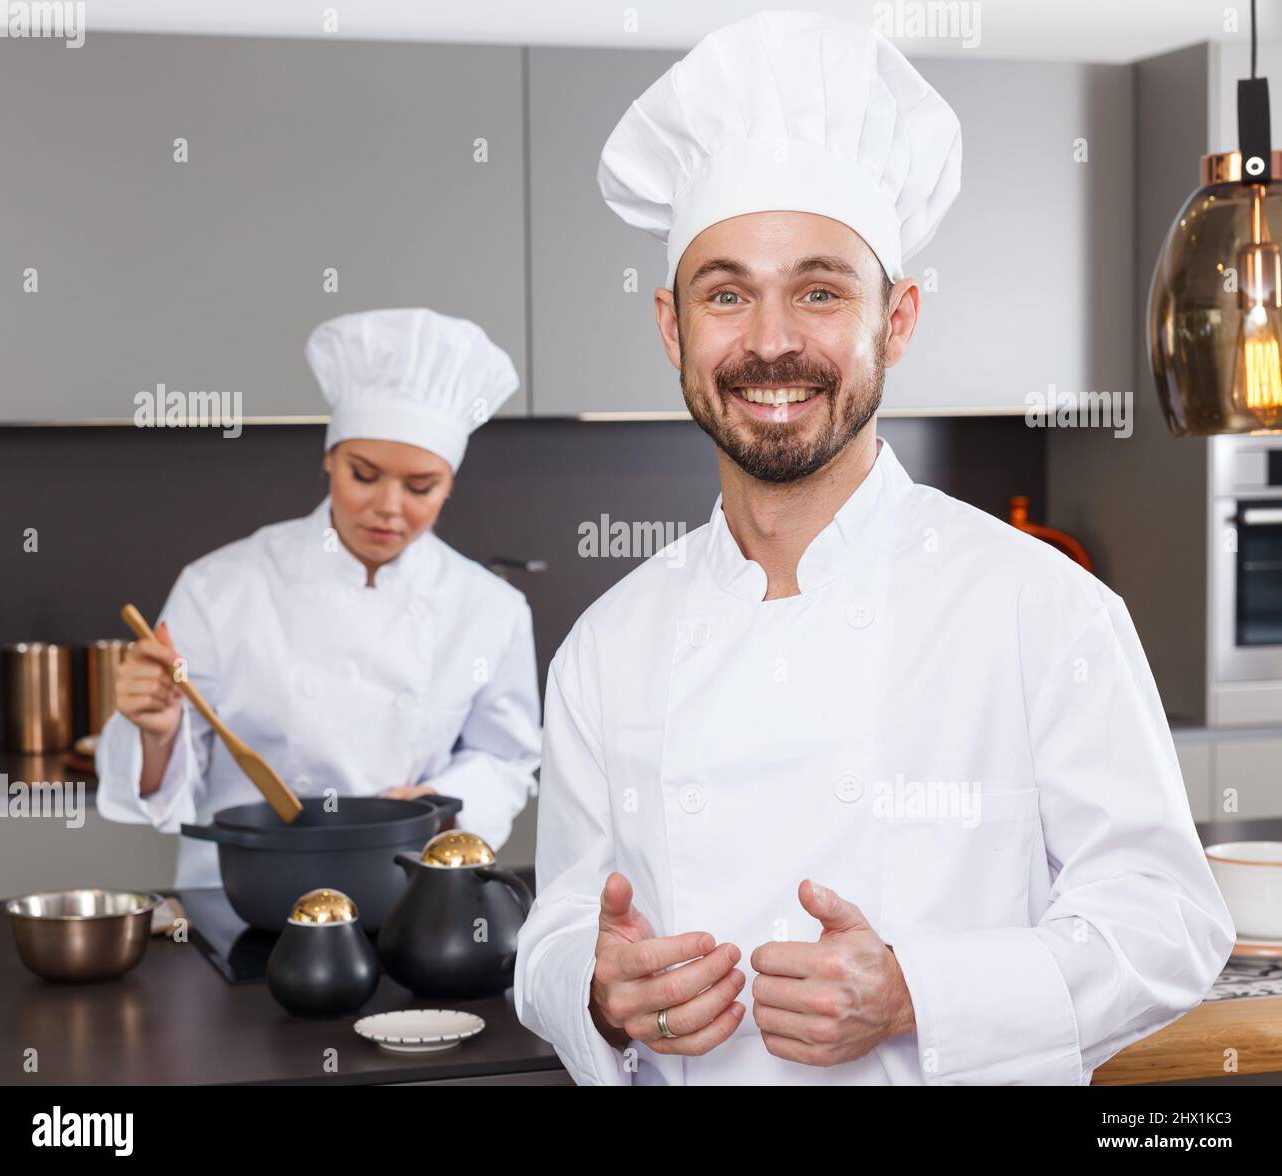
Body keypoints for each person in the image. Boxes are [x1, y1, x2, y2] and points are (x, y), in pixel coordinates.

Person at [513, 10, 1235, 1085]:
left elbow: (1166, 923)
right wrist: (598, 993)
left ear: (894, 321)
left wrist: (916, 994)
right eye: (725, 294)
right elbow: (558, 930)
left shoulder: (1042, 609)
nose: (767, 342)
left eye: (818, 290)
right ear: (672, 329)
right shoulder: (606, 647)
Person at [97, 307, 541, 888]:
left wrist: (443, 800)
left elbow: (506, 758)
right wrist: (156, 731)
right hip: (242, 896)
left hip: (407, 890)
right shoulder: (220, 587)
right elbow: (171, 774)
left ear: (450, 483)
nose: (388, 507)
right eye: (364, 474)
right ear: (329, 458)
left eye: (420, 487)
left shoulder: (490, 608)